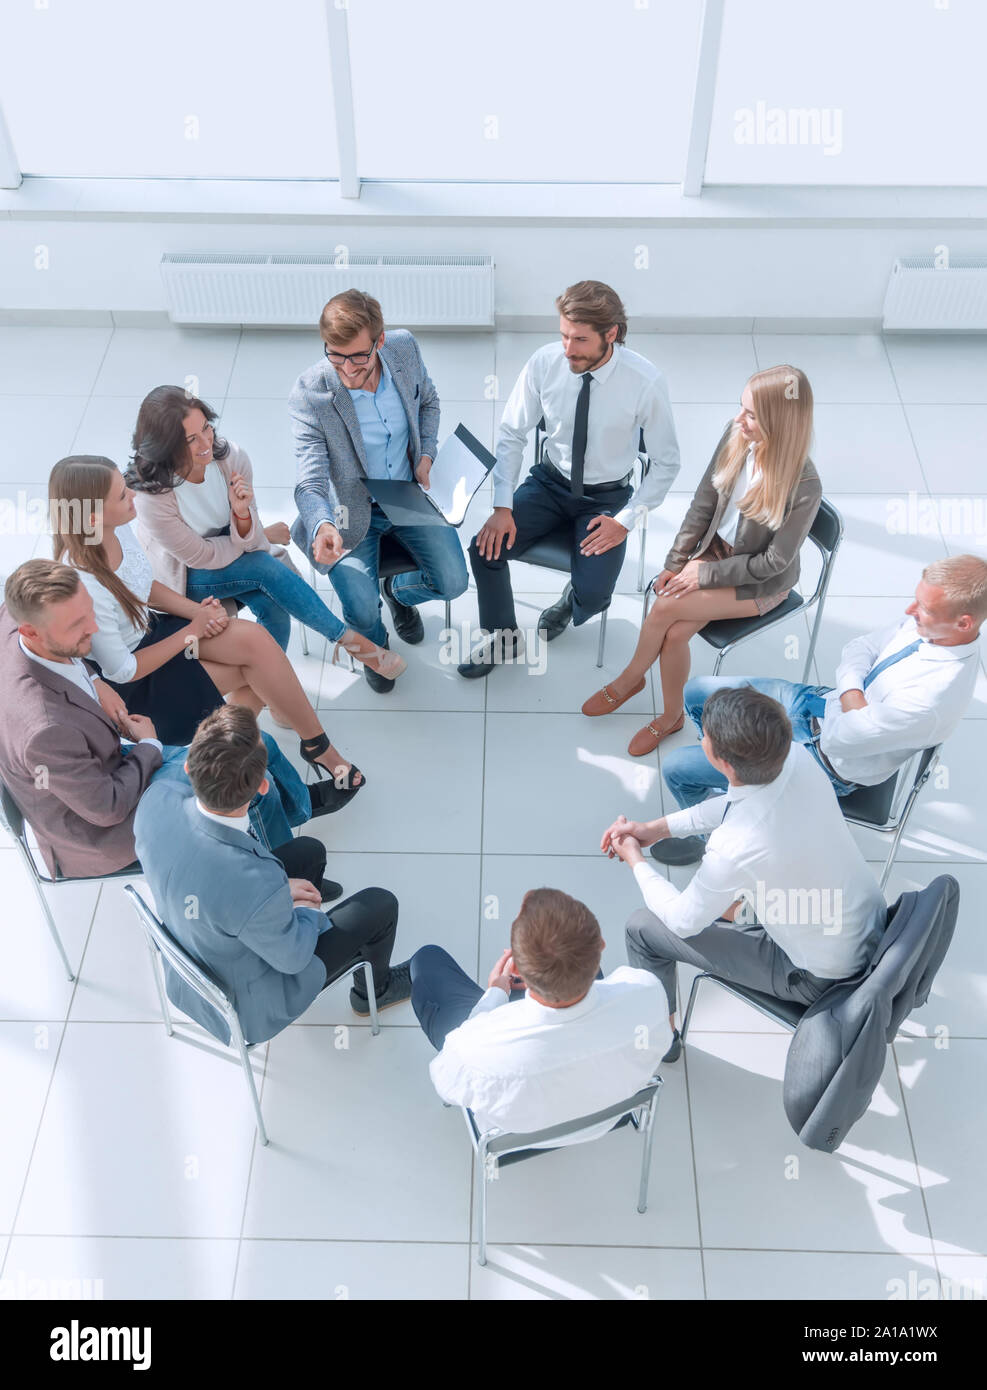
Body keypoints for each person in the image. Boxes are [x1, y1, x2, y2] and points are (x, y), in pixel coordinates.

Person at [49, 455, 364, 806]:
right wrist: (192, 632)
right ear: (94, 517)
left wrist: (196, 612)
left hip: (155, 631)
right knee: (256, 675)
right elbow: (122, 669)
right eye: (123, 496)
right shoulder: (85, 584)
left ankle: (313, 746)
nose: (134, 497)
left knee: (258, 644)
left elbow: (143, 585)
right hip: (139, 682)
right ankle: (243, 766)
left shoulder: (116, 527)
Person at [602, 685, 887, 1062]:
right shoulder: (797, 759)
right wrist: (657, 828)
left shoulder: (734, 846)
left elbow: (682, 921)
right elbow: (736, 804)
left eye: (703, 735)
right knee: (724, 900)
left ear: (723, 763)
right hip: (865, 922)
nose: (701, 737)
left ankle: (660, 1038)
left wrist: (636, 858)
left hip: (819, 975)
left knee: (643, 928)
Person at [651, 554, 987, 865]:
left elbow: (839, 741)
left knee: (677, 768)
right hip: (819, 704)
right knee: (697, 692)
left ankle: (710, 835)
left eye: (924, 608)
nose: (909, 610)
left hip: (822, 759)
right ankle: (734, 775)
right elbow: (859, 647)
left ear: (964, 623)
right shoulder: (927, 626)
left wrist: (848, 691)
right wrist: (853, 698)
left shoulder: (934, 697)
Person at [0, 561, 324, 880]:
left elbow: (64, 651)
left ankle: (294, 811)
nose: (94, 628)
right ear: (31, 631)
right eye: (77, 625)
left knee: (254, 744)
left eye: (90, 612)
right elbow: (107, 808)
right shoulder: (46, 730)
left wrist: (96, 683)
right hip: (107, 825)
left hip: (105, 760)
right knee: (246, 780)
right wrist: (150, 746)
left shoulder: (14, 618)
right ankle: (282, 879)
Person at [135, 705, 411, 1045]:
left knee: (308, 851)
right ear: (263, 788)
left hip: (194, 954)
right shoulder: (253, 882)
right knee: (380, 904)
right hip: (246, 1006)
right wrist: (304, 911)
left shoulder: (155, 799)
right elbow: (294, 958)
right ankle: (374, 993)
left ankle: (276, 914)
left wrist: (274, 894)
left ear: (189, 766)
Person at [583, 366, 821, 756]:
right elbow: (702, 504)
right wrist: (676, 562)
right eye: (740, 408)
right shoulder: (737, 437)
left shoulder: (805, 484)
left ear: (781, 422)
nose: (737, 419)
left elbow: (774, 563)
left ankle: (629, 681)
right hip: (715, 552)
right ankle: (672, 715)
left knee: (664, 608)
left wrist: (704, 573)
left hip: (758, 581)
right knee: (675, 633)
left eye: (751, 414)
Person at [458, 280, 680, 679]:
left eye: (579, 339)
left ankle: (568, 602)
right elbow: (511, 433)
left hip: (606, 499)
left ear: (610, 334)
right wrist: (502, 505)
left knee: (595, 596)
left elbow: (667, 463)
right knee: (483, 549)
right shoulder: (545, 363)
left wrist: (625, 520)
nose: (567, 349)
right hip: (549, 482)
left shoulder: (644, 381)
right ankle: (504, 637)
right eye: (563, 335)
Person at [126, 385, 403, 682]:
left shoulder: (231, 458)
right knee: (261, 567)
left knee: (272, 607)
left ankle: (268, 691)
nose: (206, 442)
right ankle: (351, 643)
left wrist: (244, 516)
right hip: (187, 577)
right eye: (190, 440)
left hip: (234, 555)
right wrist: (260, 536)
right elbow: (201, 556)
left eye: (206, 428)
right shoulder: (151, 498)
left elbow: (248, 534)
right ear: (164, 446)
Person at [290, 289, 469, 693]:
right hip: (347, 511)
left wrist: (425, 452)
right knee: (358, 605)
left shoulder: (404, 349)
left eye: (358, 356)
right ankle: (377, 644)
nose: (347, 369)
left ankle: (398, 593)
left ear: (380, 340)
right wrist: (320, 525)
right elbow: (310, 478)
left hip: (405, 492)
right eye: (336, 355)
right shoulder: (310, 393)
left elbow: (430, 402)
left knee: (454, 582)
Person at [410, 888, 670, 1138]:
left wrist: (495, 994)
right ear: (601, 946)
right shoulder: (648, 994)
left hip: (513, 1137)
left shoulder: (472, 1048)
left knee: (427, 959)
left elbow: (445, 1081)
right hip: (604, 1120)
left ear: (518, 971)